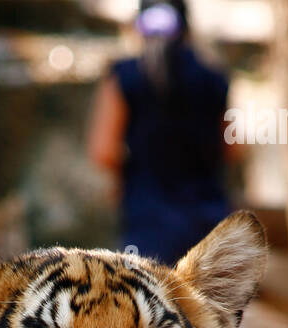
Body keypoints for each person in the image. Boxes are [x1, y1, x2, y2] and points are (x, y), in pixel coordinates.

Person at [87, 0, 232, 264]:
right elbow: (234, 148)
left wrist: (130, 175)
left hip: (147, 222)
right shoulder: (214, 78)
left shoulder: (124, 76)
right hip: (208, 220)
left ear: (138, 29)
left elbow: (103, 151)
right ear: (187, 29)